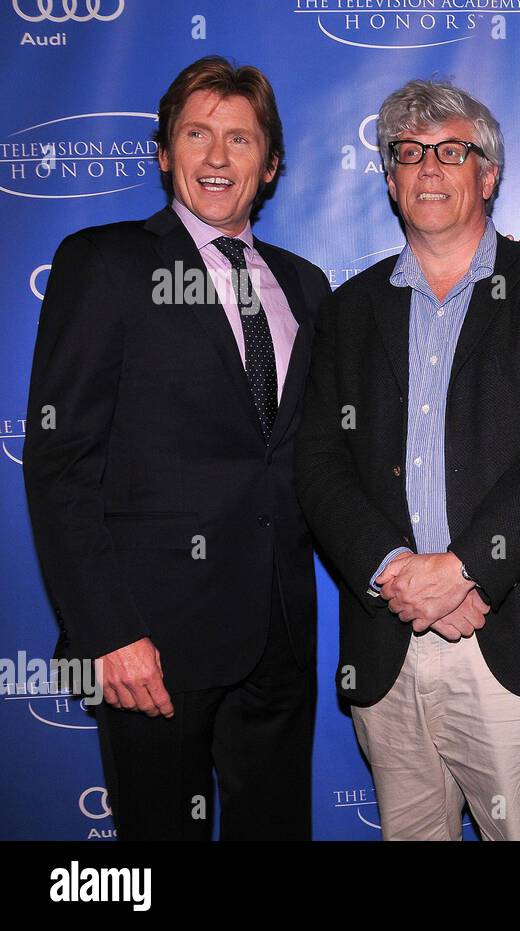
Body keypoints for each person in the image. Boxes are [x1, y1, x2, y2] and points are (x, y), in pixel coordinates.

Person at [294, 78, 520, 841]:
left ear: (489, 174)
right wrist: (394, 570)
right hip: (388, 638)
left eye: (451, 151)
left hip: (513, 635)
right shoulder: (348, 309)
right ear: (391, 178)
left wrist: (467, 567)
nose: (429, 168)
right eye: (408, 153)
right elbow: (318, 460)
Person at [23, 56, 328, 840]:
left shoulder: (306, 285)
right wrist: (108, 633)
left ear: (271, 166)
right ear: (165, 153)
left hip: (280, 641)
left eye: (240, 138)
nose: (218, 157)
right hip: (148, 648)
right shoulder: (105, 262)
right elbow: (60, 465)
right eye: (197, 135)